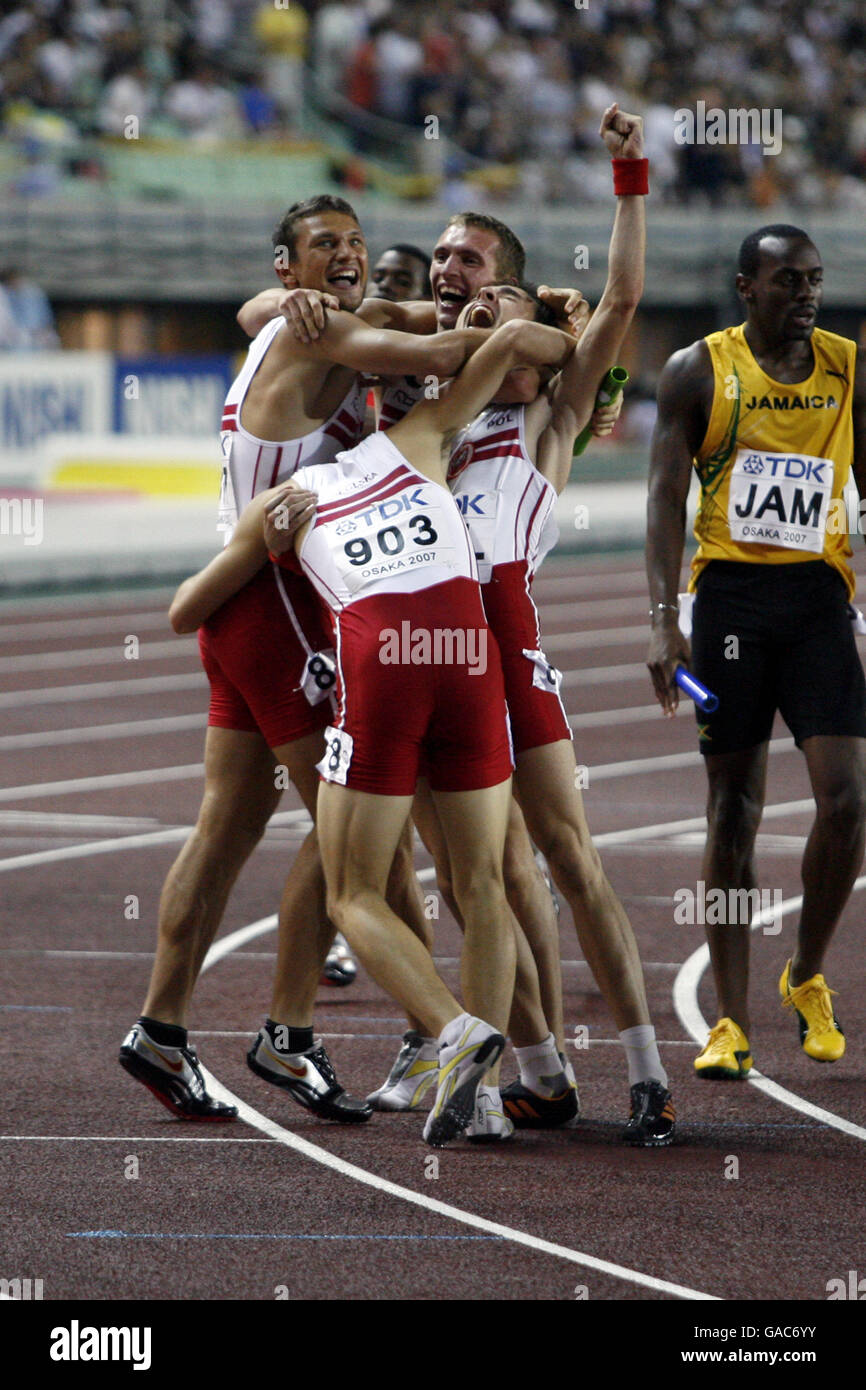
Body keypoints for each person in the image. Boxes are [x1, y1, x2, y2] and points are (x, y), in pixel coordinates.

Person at [119, 195, 493, 1126]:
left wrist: (456, 306)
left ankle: (162, 1031)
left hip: (240, 603)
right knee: (363, 819)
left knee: (230, 824)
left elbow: (400, 320)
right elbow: (433, 356)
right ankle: (350, 1031)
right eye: (328, 245)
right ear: (290, 269)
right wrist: (509, 330)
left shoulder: (292, 323)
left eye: (359, 244)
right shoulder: (316, 338)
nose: (351, 256)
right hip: (277, 605)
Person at [176, 309, 580, 1146]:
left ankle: (454, 1030)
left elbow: (186, 613)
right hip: (468, 656)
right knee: (482, 886)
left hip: (384, 662)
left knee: (353, 889)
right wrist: (559, 338)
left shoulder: (285, 498)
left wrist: (269, 545)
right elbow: (514, 348)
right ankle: (491, 1099)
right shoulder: (424, 437)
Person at [646, 223, 866, 1078]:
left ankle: (806, 972)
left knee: (847, 802)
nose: (806, 295)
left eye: (813, 280)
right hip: (728, 606)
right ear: (746, 287)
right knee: (732, 808)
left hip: (818, 605)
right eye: (787, 282)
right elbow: (665, 496)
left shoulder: (849, 367)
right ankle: (730, 1024)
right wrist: (663, 619)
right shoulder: (698, 370)